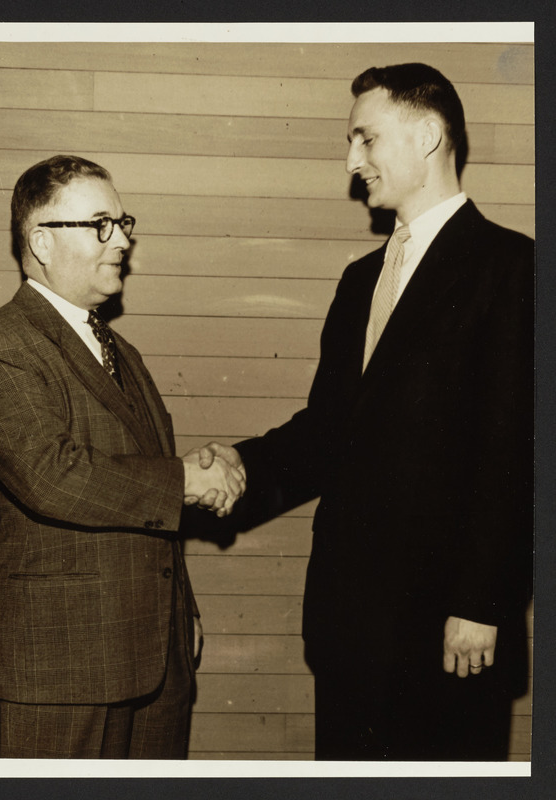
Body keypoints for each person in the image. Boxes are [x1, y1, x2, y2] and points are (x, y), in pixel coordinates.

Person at [198, 63, 534, 760]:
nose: (352, 164)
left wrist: (480, 605)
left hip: (450, 631)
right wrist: (238, 467)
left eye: (365, 139)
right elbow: (329, 435)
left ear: (428, 135)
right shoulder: (360, 281)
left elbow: (515, 453)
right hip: (349, 628)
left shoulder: (514, 269)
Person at [0, 154, 245, 759]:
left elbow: (139, 488)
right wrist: (188, 482)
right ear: (40, 240)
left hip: (156, 666)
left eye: (122, 222)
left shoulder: (124, 353)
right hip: (60, 675)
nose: (122, 239)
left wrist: (178, 615)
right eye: (100, 224)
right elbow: (51, 475)